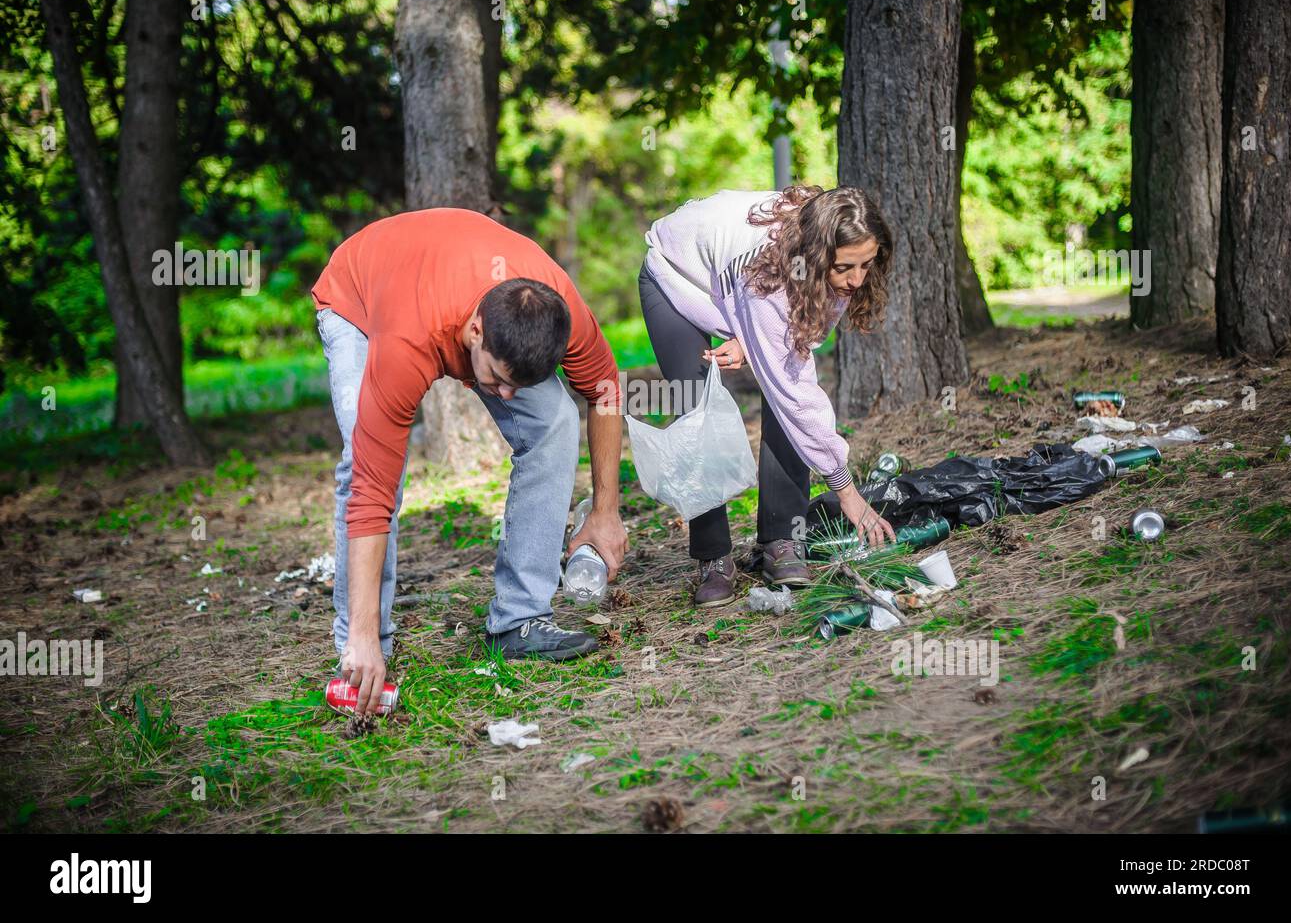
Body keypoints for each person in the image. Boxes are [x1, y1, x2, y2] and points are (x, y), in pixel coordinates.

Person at [312, 208, 628, 713]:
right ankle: (363, 649)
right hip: (361, 299)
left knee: (556, 419)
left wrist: (605, 511)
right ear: (477, 331)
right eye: (498, 379)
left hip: (448, 279)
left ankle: (520, 620)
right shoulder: (406, 343)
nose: (505, 395)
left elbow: (606, 389)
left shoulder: (557, 304)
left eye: (515, 386)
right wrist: (365, 638)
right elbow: (372, 488)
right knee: (365, 463)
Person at [639, 184, 897, 606]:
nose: (857, 280)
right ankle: (713, 557)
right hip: (675, 274)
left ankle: (781, 538)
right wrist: (846, 490)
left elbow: (796, 352)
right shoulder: (771, 277)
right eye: (846, 267)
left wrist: (752, 342)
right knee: (697, 403)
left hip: (731, 284)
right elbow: (793, 389)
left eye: (867, 264)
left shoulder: (831, 256)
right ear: (815, 256)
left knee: (786, 395)